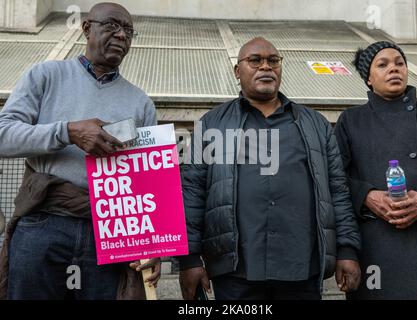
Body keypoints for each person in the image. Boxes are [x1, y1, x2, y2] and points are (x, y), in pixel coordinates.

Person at [178, 37, 361, 300]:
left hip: (301, 269)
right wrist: (189, 260)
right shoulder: (210, 124)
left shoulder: (316, 125)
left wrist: (347, 250)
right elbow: (191, 193)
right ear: (237, 71)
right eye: (255, 60)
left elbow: (337, 192)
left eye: (273, 60)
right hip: (235, 271)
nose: (266, 66)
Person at [0, 2, 161, 300]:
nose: (122, 36)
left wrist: (151, 246)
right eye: (112, 25)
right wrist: (67, 132)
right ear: (87, 28)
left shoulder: (141, 104)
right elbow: (3, 136)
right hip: (44, 222)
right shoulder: (45, 76)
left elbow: (147, 183)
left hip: (108, 233)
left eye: (128, 30)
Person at [334, 41, 417, 299]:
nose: (394, 69)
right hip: (374, 248)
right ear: (368, 79)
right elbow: (334, 180)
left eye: (400, 63)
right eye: (383, 64)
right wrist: (367, 196)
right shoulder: (351, 121)